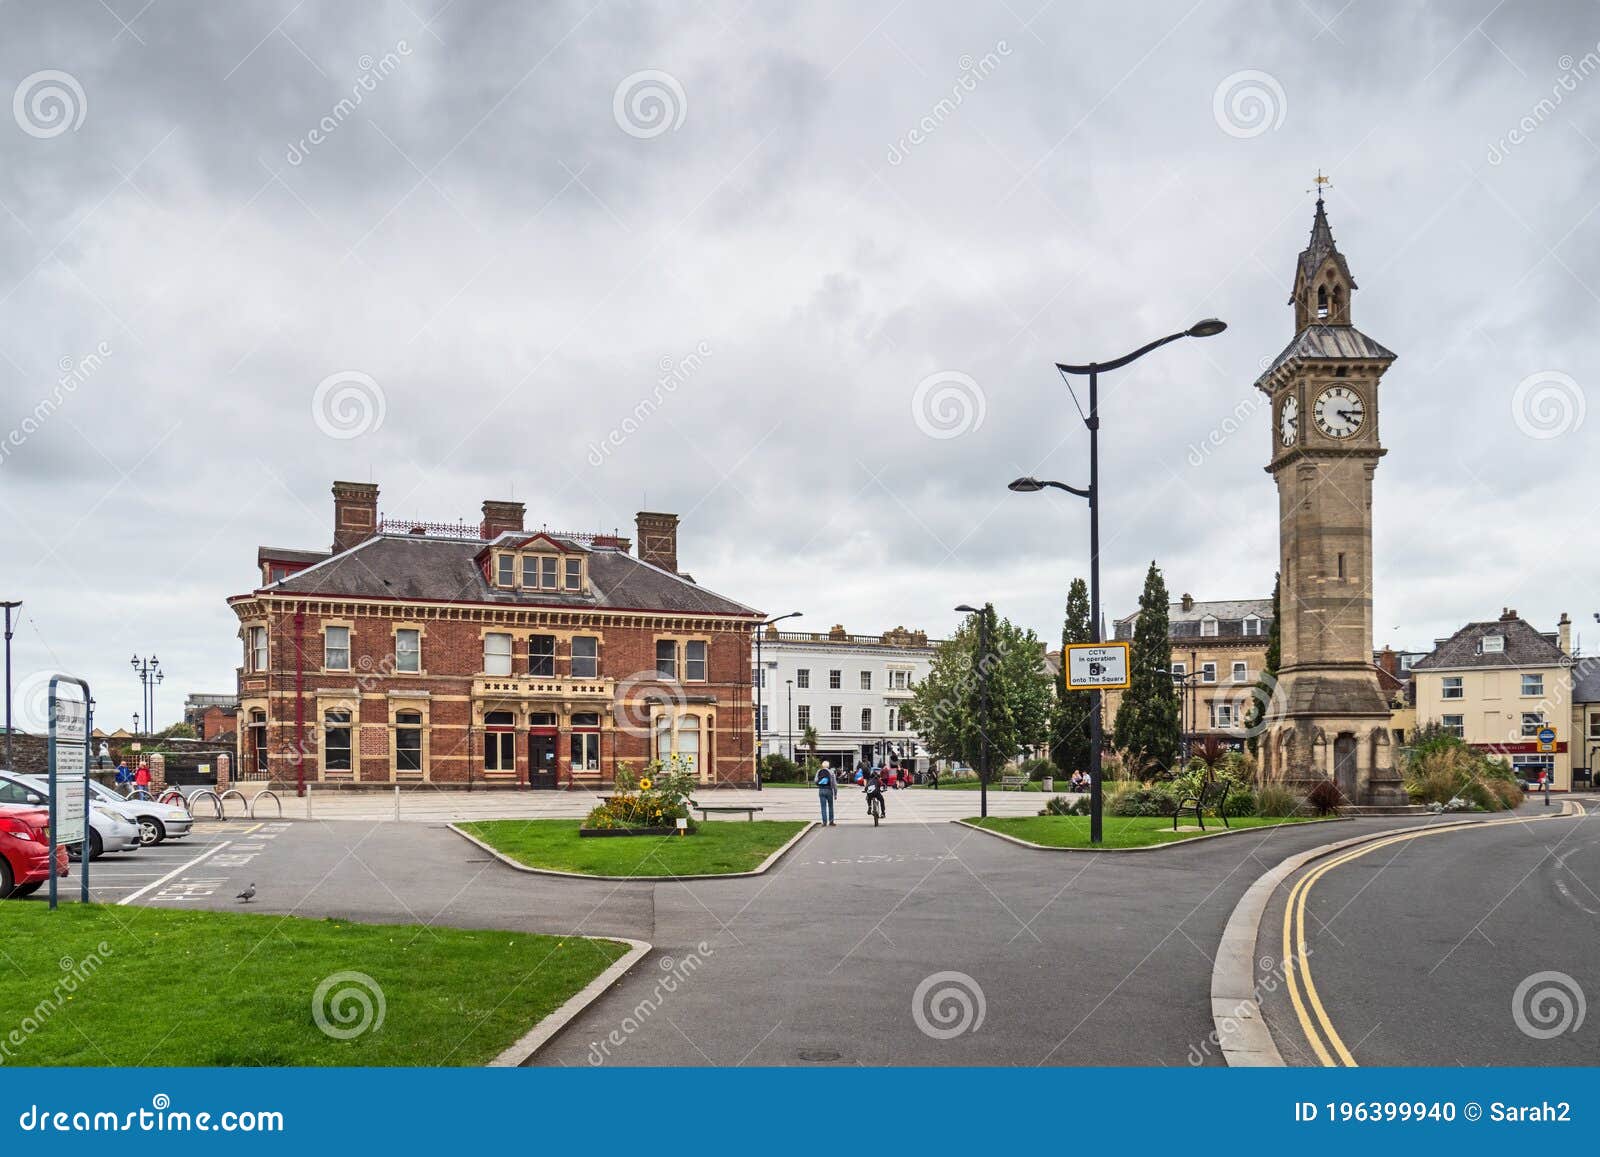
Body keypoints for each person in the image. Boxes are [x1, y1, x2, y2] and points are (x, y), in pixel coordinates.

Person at [815, 761, 836, 826]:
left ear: (822, 766)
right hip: (829, 790)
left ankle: (824, 822)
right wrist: (835, 793)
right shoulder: (831, 772)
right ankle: (831, 821)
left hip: (821, 790)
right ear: (828, 766)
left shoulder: (819, 771)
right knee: (830, 806)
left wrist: (819, 785)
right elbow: (834, 784)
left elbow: (815, 780)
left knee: (823, 807)